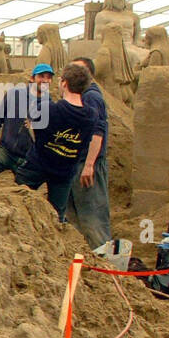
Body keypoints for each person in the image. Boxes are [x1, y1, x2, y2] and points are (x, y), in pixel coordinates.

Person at [14, 62, 97, 221]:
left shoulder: (48, 109)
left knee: (17, 202)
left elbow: (35, 133)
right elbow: (86, 143)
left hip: (36, 165)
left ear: (64, 83)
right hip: (65, 171)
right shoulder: (91, 116)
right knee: (57, 217)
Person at [0, 64, 51, 183]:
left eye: (49, 77)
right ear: (32, 78)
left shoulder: (50, 105)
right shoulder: (15, 94)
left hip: (27, 157)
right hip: (6, 151)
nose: (45, 80)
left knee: (25, 189)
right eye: (41, 76)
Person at [63, 57, 112, 248]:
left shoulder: (91, 97)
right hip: (78, 164)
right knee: (75, 218)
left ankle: (104, 263)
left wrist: (89, 164)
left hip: (88, 165)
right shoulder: (81, 96)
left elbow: (97, 133)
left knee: (93, 218)